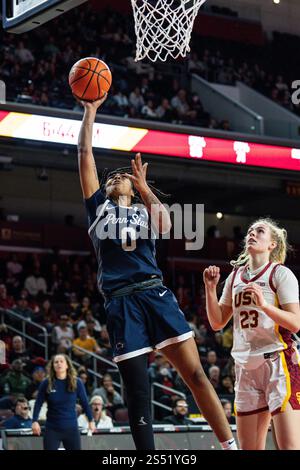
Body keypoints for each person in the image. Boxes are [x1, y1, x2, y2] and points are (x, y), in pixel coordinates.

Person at [76, 97, 236, 450]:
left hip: (155, 294)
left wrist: (147, 190)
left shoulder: (144, 211)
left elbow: (166, 223)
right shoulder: (98, 209)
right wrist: (90, 111)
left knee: (195, 374)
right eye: (112, 177)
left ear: (133, 188)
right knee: (137, 391)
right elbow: (85, 155)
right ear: (104, 189)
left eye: (123, 176)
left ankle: (229, 446)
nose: (117, 177)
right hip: (121, 304)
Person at [204, 218, 300, 450]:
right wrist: (209, 288)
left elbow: (295, 323)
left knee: (288, 447)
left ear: (272, 244)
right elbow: (217, 322)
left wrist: (264, 306)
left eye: (259, 231)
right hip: (245, 367)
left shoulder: (280, 274)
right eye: (250, 231)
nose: (252, 234)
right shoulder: (235, 277)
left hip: (278, 363)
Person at [31, 354, 95, 450]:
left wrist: (91, 420)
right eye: (56, 362)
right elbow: (38, 403)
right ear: (53, 366)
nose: (59, 364)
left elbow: (85, 403)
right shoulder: (46, 383)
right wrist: (34, 421)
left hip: (71, 429)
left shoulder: (77, 382)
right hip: (52, 429)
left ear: (67, 365)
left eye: (61, 361)